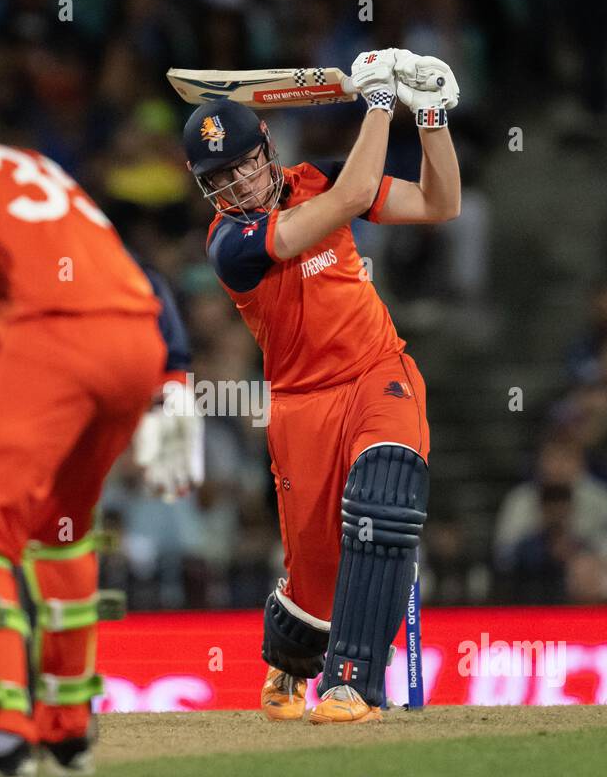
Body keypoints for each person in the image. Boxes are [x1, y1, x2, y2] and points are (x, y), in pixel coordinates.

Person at [0, 39, 199, 777]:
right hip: (136, 337)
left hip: (56, 337)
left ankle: (4, 738)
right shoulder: (37, 166)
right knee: (62, 528)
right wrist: (176, 377)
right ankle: (68, 727)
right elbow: (144, 274)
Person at [183, 49, 461, 723]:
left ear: (266, 152)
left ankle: (354, 682)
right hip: (300, 406)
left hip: (377, 373)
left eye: (243, 166)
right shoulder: (232, 242)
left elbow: (439, 202)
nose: (238, 186)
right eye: (219, 179)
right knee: (314, 575)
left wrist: (428, 116)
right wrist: (377, 101)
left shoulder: (318, 179)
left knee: (384, 499)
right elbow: (352, 199)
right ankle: (293, 663)